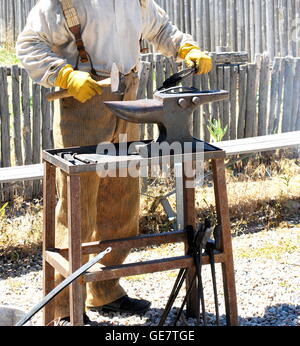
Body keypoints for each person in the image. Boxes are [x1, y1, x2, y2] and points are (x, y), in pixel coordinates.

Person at [16, 0, 213, 325]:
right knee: (77, 214)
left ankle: (105, 292)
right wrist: (64, 74)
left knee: (121, 206)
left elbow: (160, 29)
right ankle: (64, 307)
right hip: (82, 106)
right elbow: (29, 43)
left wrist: (185, 47)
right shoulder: (65, 2)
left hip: (129, 101)